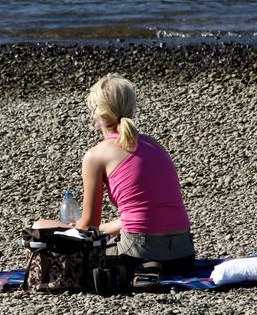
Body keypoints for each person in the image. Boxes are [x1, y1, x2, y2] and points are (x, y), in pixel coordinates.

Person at [33, 74, 194, 274]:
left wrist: (76, 228)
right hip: (184, 253)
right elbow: (145, 213)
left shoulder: (96, 155)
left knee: (40, 225)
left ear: (96, 114)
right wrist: (99, 229)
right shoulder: (154, 145)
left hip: (139, 253)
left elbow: (89, 226)